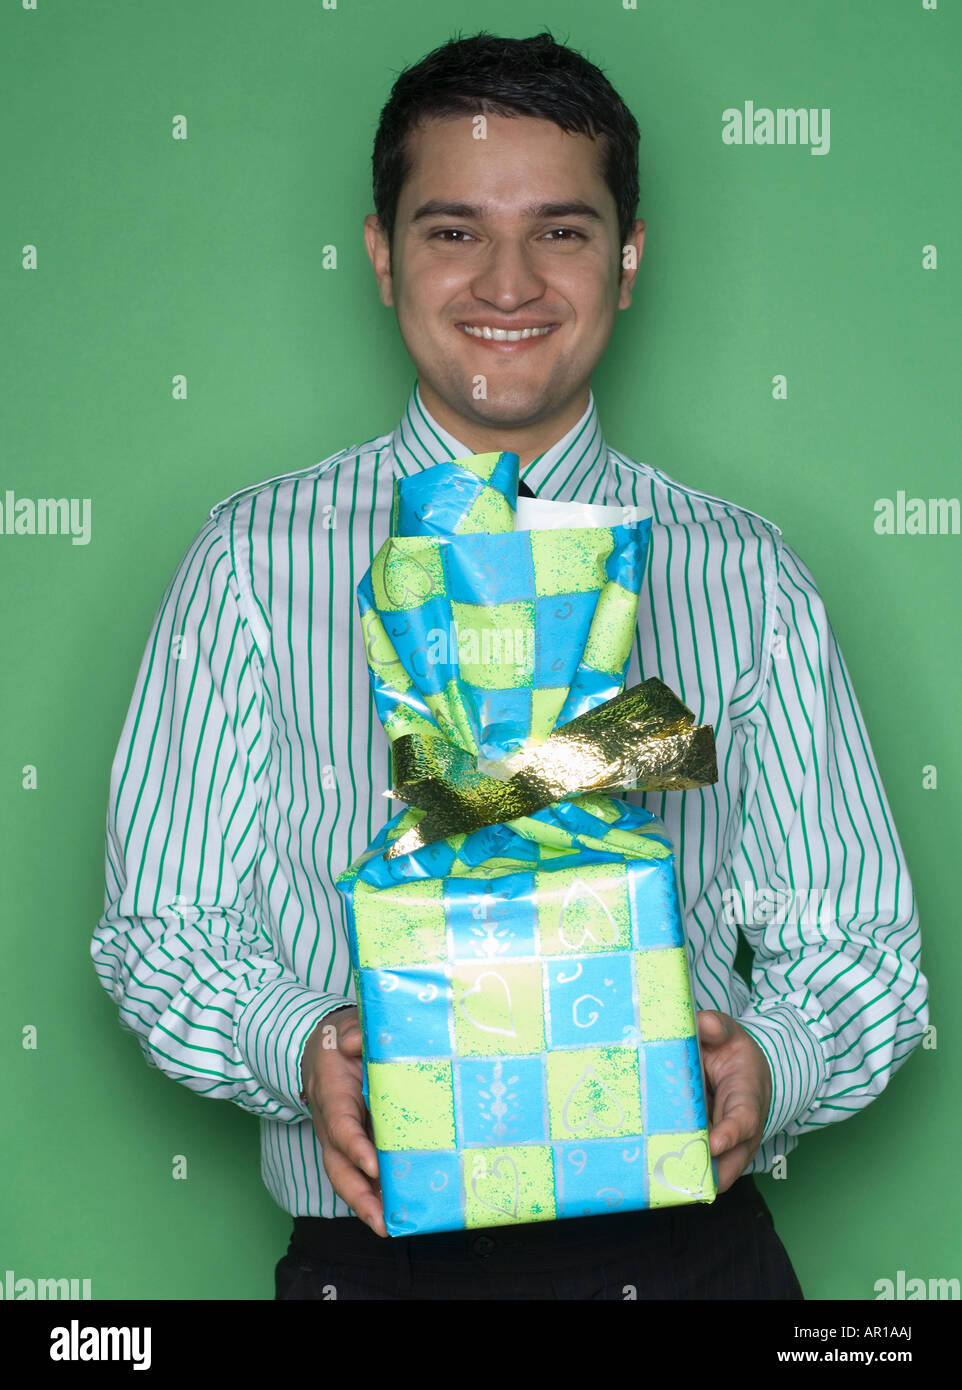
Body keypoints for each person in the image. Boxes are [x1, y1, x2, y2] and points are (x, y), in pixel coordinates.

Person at [91, 31, 928, 1301]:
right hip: (375, 1262)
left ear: (627, 257)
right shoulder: (251, 563)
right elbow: (160, 926)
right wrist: (300, 1043)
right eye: (450, 230)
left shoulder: (743, 574)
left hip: (688, 1262)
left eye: (560, 230)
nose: (507, 279)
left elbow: (859, 942)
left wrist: (781, 1059)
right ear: (381, 255)